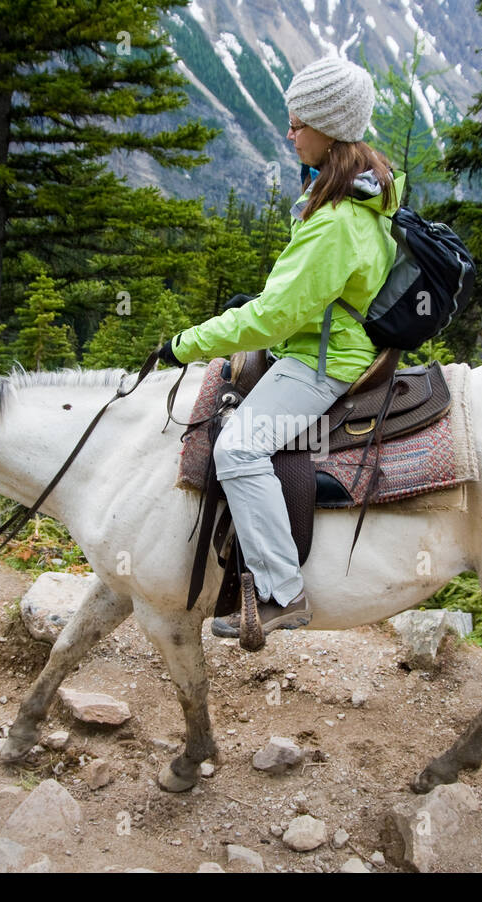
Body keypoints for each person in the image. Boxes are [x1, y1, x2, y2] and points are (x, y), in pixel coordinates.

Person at [159, 56, 403, 636]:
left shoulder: (335, 219)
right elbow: (304, 295)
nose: (289, 133)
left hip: (320, 362)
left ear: (329, 127)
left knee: (239, 450)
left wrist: (184, 345)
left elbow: (270, 321)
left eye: (298, 123)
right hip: (323, 340)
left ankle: (282, 592)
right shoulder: (361, 195)